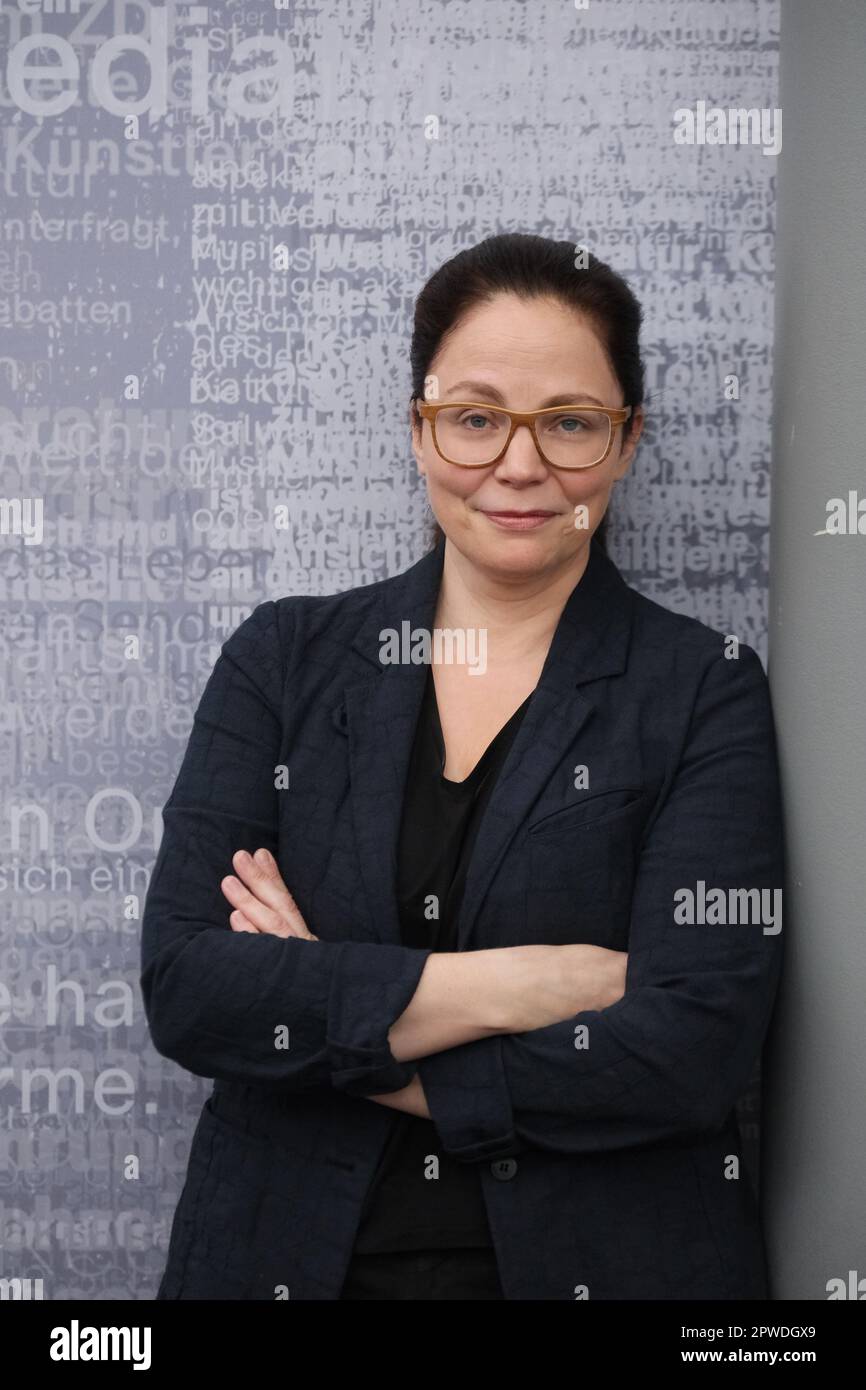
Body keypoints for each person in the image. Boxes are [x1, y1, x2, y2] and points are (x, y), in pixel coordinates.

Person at [141, 232, 785, 1301]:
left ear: (625, 441)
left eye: (570, 423)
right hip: (282, 1258)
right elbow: (193, 989)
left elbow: (689, 1048)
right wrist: (513, 985)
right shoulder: (286, 659)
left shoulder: (700, 684)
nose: (520, 464)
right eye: (475, 417)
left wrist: (337, 1013)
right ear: (418, 430)